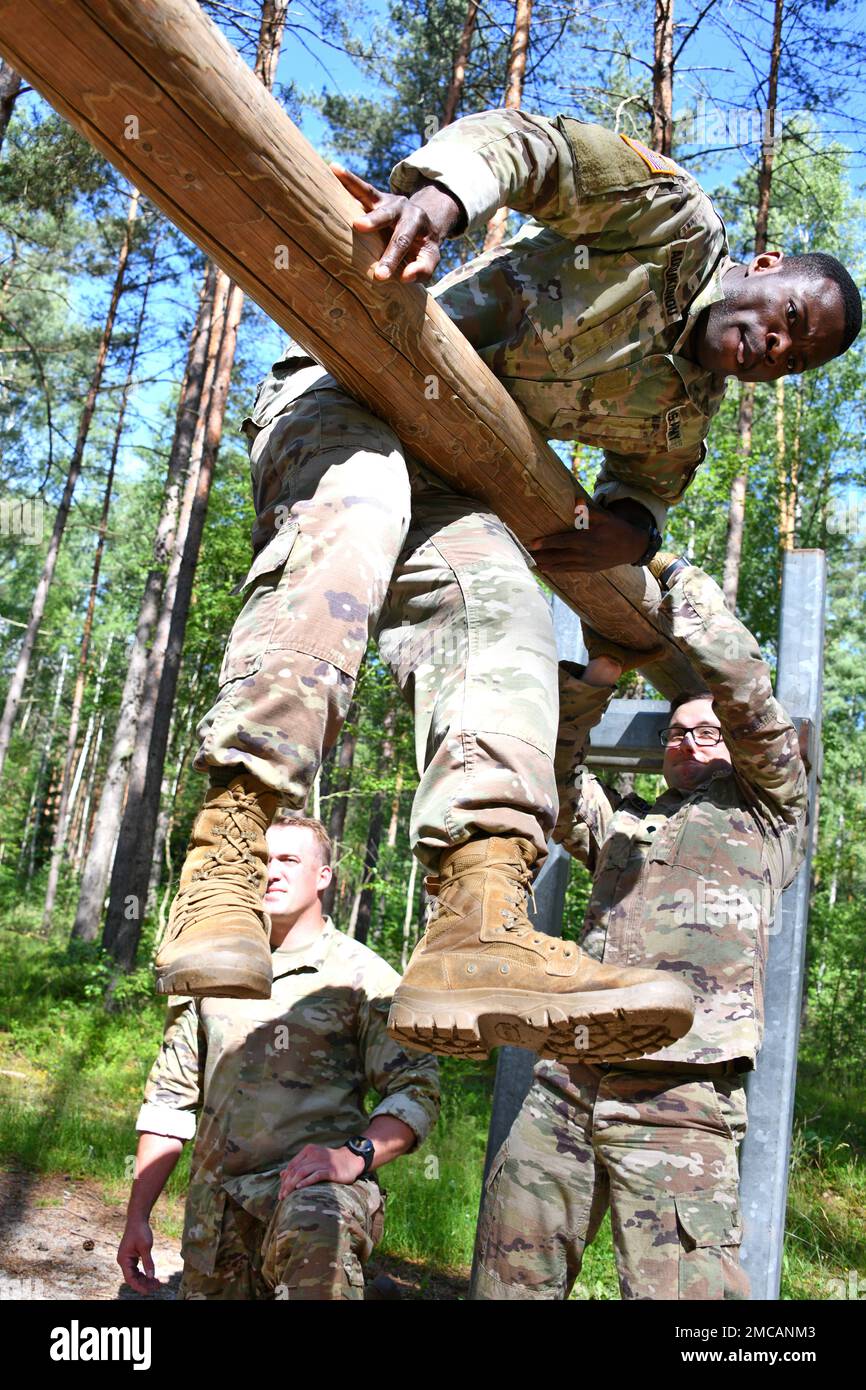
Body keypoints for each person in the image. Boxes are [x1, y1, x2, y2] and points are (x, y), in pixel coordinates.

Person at [156, 110, 854, 1060]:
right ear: (766, 267)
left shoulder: (685, 416)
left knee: (516, 610)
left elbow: (645, 488)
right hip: (346, 391)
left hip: (452, 478)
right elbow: (534, 147)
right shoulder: (672, 223)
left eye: (796, 360)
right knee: (364, 501)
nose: (777, 352)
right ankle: (227, 854)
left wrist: (633, 525)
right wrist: (441, 197)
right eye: (792, 323)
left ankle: (478, 915)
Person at [472, 553, 809, 1300]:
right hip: (569, 1082)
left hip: (679, 1095)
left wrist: (673, 576)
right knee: (507, 1278)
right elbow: (553, 783)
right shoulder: (625, 826)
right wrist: (594, 682)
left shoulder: (766, 811)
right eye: (676, 736)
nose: (688, 744)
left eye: (708, 734)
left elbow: (746, 694)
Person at [118, 814, 440, 1301]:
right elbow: (169, 1100)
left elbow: (417, 1088)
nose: (273, 872)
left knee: (317, 1234)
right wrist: (137, 1217)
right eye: (265, 860)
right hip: (217, 1223)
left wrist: (355, 1156)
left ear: (324, 876)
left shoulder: (360, 978)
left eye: (290, 860)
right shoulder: (215, 968)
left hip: (306, 1203)